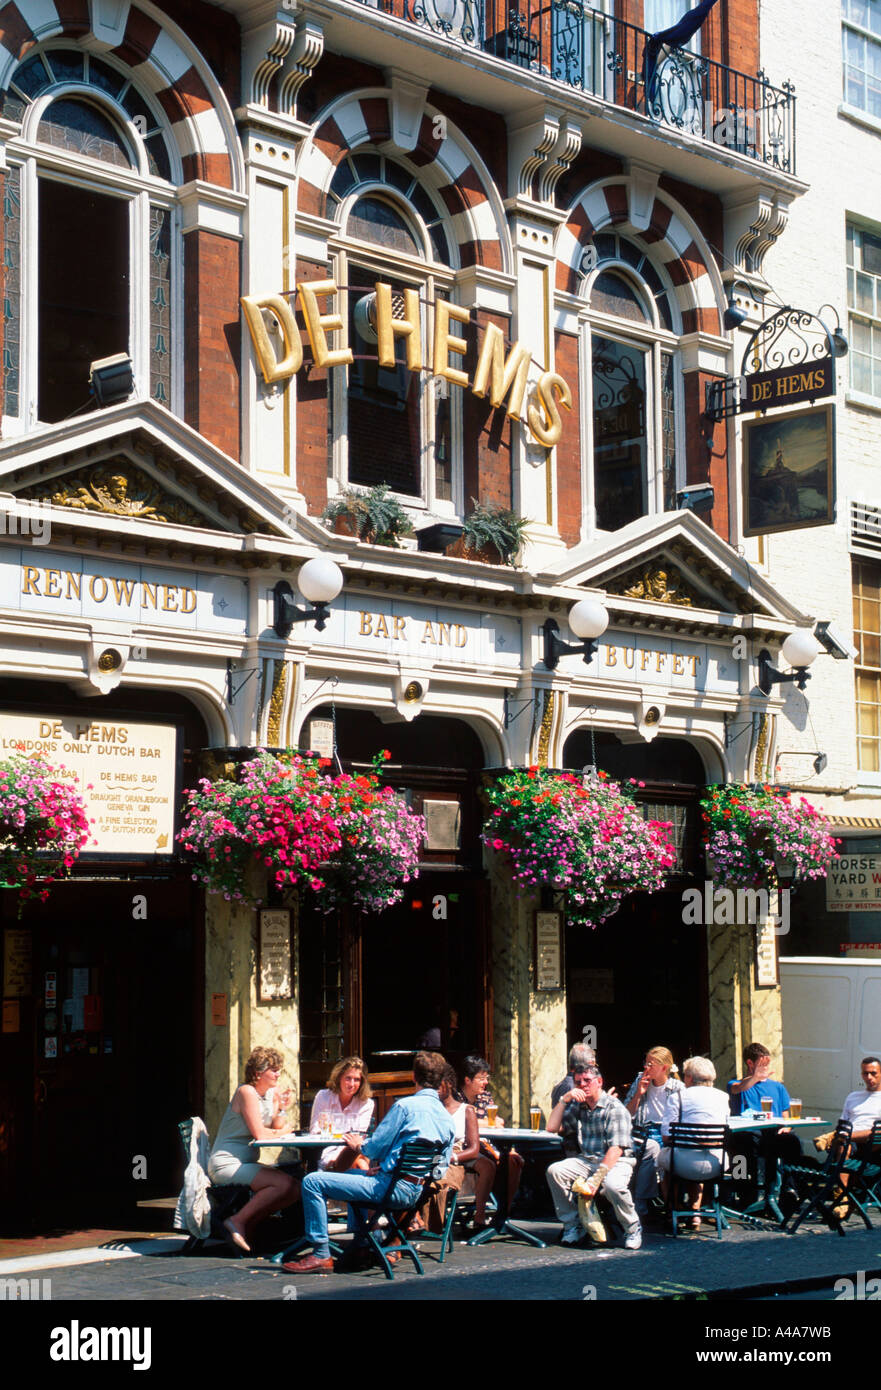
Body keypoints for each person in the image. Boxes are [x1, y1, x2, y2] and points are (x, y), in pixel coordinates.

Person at [282, 1051, 455, 1274]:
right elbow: (440, 1168)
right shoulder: (446, 1119)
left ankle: (321, 1253)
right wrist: (390, 1168)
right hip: (415, 1192)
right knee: (354, 1176)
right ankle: (361, 1245)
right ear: (441, 1081)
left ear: (413, 1077)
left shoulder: (405, 1107)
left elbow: (373, 1148)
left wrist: (357, 1145)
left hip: (389, 1188)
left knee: (312, 1181)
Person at [207, 1046, 300, 1253]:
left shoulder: (270, 1093)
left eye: (279, 1069)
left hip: (245, 1163)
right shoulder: (246, 1092)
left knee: (294, 1189)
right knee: (283, 1183)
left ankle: (250, 1226)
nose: (278, 1074)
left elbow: (275, 1126)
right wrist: (285, 1131)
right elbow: (260, 1134)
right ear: (258, 1073)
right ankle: (236, 1221)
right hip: (226, 1164)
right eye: (274, 1070)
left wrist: (282, 1107)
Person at [546, 1063, 642, 1250]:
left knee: (613, 1185)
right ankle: (573, 1225)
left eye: (587, 1081)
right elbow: (552, 1128)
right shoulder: (579, 1106)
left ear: (599, 1082)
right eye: (578, 1082)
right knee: (555, 1170)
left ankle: (632, 1228)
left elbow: (616, 1150)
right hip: (588, 1159)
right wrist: (564, 1099)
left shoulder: (614, 1108)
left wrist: (595, 1180)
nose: (583, 1085)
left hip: (617, 1160)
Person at [657, 1055, 730, 1229]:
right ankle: (695, 1211)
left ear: (689, 1077)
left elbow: (666, 1136)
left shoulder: (678, 1098)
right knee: (696, 1154)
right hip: (716, 1163)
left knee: (662, 1158)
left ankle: (673, 1208)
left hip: (683, 1163)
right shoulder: (723, 1097)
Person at [455, 1054, 523, 1229]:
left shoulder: (485, 1097)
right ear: (467, 1080)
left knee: (515, 1160)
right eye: (481, 1078)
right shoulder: (455, 1098)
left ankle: (503, 1213)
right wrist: (486, 1122)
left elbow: (497, 1121)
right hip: (462, 1146)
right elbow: (458, 1123)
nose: (486, 1082)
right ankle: (479, 1217)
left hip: (487, 1144)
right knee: (487, 1165)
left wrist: (487, 1122)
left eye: (487, 1078)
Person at [415, 1062, 481, 1233]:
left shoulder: (466, 1111)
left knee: (432, 1183)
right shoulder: (430, 1110)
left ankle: (419, 1222)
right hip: (428, 1157)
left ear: (449, 1084)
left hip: (453, 1161)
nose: (436, 1091)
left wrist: (452, 1157)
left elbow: (474, 1149)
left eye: (439, 1086)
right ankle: (411, 1221)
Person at [623, 1046, 685, 1219]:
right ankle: (644, 1203)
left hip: (667, 1133)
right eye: (646, 1063)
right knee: (649, 1149)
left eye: (650, 1064)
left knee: (659, 1154)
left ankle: (665, 1205)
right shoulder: (639, 1081)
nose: (646, 1068)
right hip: (642, 1131)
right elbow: (626, 1115)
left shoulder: (677, 1088)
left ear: (664, 1068)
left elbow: (682, 1118)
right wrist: (638, 1094)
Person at [819, 1057, 881, 1220]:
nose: (869, 1077)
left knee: (850, 1137)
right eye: (865, 1073)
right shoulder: (853, 1096)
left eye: (873, 1073)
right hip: (850, 1145)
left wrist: (845, 1135)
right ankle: (843, 1199)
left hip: (874, 1147)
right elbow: (843, 1123)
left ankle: (832, 1138)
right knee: (843, 1142)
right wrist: (843, 1135)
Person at [310, 1056, 374, 1171]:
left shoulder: (366, 1104)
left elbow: (357, 1138)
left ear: (362, 1082)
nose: (352, 1084)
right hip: (327, 1151)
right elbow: (315, 1131)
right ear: (339, 1078)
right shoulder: (323, 1097)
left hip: (352, 1151)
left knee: (360, 1162)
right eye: (348, 1078)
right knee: (360, 1164)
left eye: (357, 1079)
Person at [551, 1042, 597, 1108]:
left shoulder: (560, 1086)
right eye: (594, 1065)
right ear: (589, 1064)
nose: (595, 1070)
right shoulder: (574, 1088)